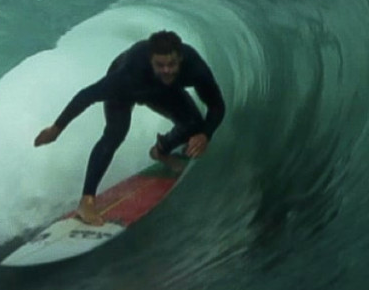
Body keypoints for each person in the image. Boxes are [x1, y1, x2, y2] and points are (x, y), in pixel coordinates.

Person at [33, 30, 226, 226]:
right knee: (115, 134)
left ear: (181, 59)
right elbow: (86, 96)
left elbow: (217, 105)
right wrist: (56, 129)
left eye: (172, 64)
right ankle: (86, 202)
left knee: (195, 124)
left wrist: (205, 135)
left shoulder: (194, 67)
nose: (167, 69)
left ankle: (161, 151)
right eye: (160, 65)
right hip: (130, 87)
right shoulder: (126, 76)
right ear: (151, 60)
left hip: (162, 90)